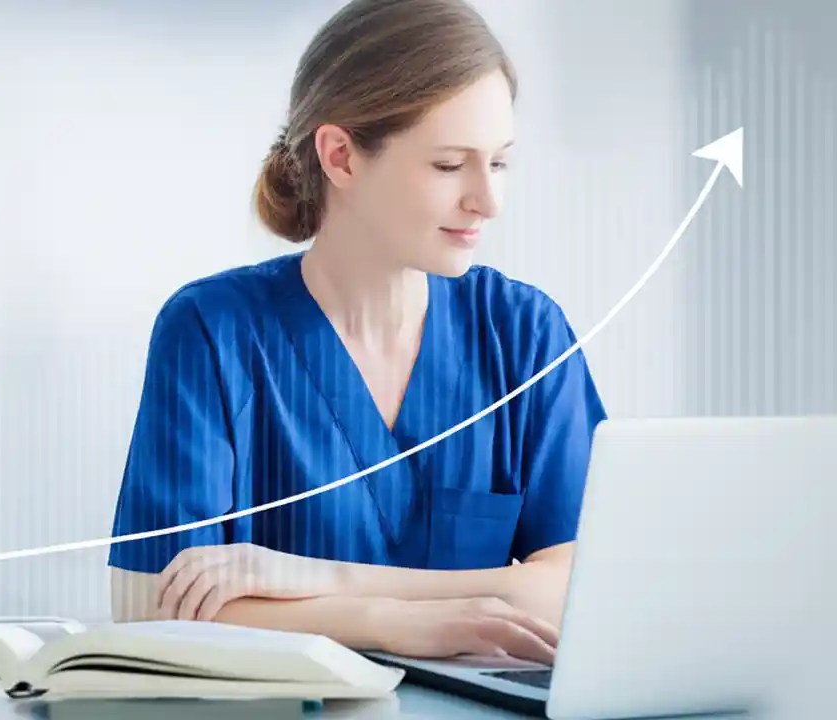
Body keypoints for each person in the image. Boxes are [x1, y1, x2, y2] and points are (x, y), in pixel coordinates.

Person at [106, 0, 606, 665]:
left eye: (501, 163)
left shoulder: (524, 336)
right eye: (450, 166)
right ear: (340, 156)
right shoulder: (213, 331)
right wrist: (395, 624)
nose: (488, 200)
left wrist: (312, 582)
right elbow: (148, 604)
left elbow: (587, 588)